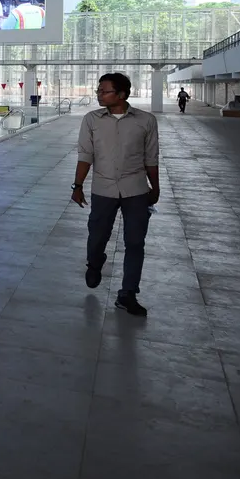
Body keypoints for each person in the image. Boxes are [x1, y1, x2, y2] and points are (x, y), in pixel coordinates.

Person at [71, 72, 159, 317]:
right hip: (104, 189)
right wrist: (77, 186)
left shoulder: (146, 121)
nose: (99, 94)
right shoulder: (92, 120)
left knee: (135, 243)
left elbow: (151, 159)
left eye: (104, 91)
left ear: (121, 94)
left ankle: (127, 294)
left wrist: (156, 188)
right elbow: (85, 156)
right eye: (98, 90)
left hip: (136, 190)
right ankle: (95, 262)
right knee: (97, 236)